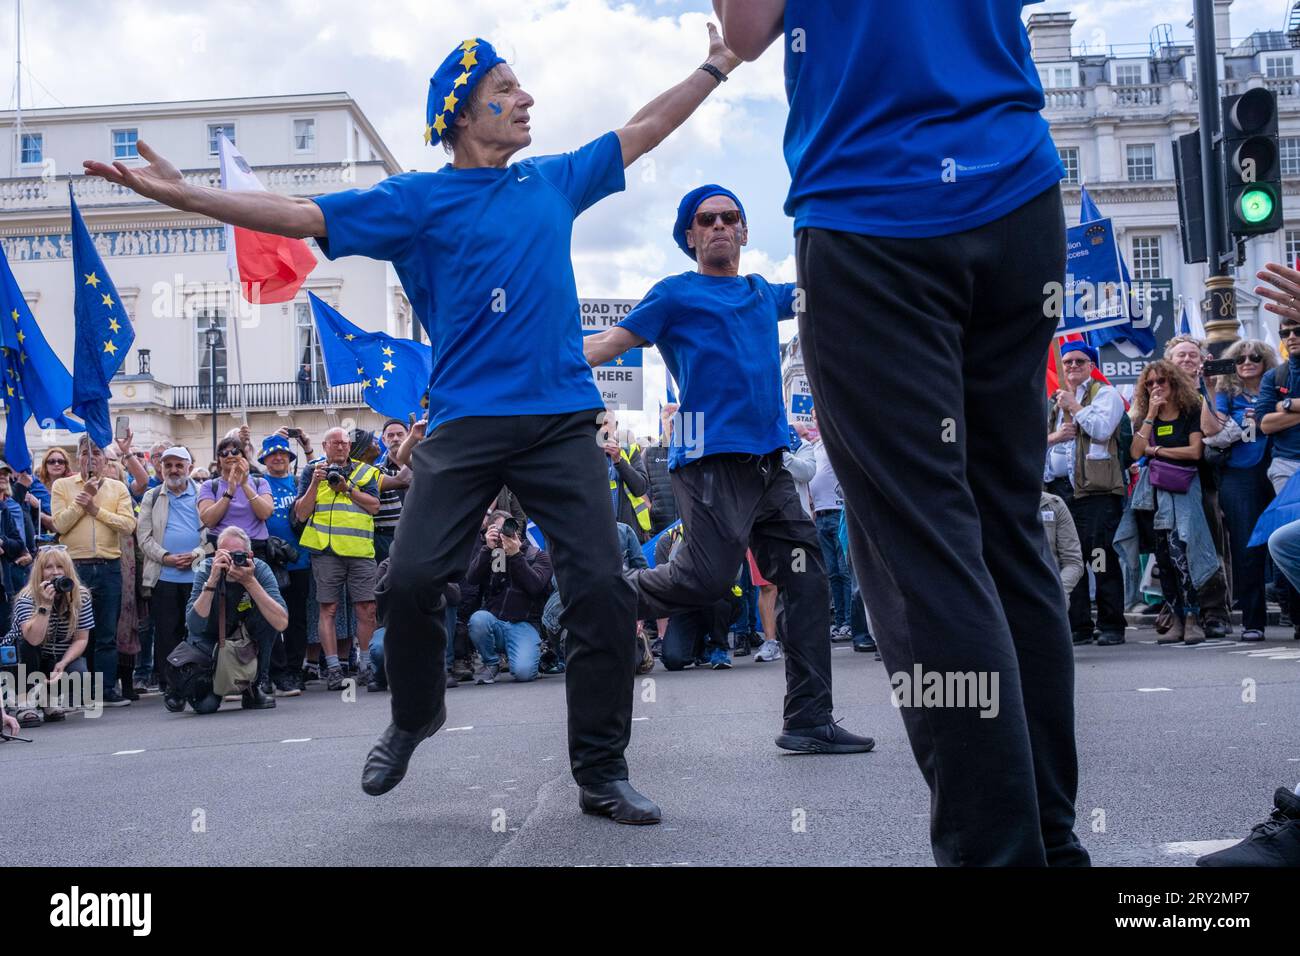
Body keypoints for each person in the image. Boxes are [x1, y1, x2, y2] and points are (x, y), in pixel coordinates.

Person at [86, 28, 742, 824]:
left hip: (559, 420)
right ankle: (415, 714)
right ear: (464, 117)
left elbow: (641, 131)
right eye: (507, 89)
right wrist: (189, 196)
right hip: (464, 423)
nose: (527, 97)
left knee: (603, 589)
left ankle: (601, 770)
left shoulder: (553, 180)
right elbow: (296, 213)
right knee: (414, 578)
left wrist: (717, 64)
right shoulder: (414, 201)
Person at [714, 0, 1088, 865]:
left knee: (926, 552)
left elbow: (742, 27)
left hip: (875, 201)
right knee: (1008, 533)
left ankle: (1000, 856)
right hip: (1016, 190)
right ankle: (1052, 845)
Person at [585, 184, 873, 755]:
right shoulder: (673, 295)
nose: (719, 225)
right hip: (710, 464)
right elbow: (606, 344)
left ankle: (809, 720)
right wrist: (525, 365)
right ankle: (603, 597)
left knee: (808, 582)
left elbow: (830, 288)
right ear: (690, 236)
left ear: (743, 231)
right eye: (706, 219)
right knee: (705, 581)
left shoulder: (763, 293)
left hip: (770, 469)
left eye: (730, 217)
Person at [1115, 361, 1220, 645]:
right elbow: (1136, 452)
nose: (1156, 387)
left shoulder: (1189, 411)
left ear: (1173, 383)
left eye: (1161, 381)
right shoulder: (1147, 417)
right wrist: (1150, 413)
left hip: (1184, 490)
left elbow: (1195, 451)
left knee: (1182, 553)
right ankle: (1174, 616)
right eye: (1149, 384)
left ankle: (1192, 617)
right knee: (1163, 557)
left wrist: (1157, 450)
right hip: (1154, 496)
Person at [1043, 342, 1128, 646]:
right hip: (1060, 489)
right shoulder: (1055, 401)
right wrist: (1056, 435)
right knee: (1068, 557)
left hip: (1096, 490)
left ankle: (1111, 624)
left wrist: (1076, 408)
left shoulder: (1105, 395)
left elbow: (1103, 429)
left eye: (1080, 361)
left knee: (1100, 555)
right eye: (1067, 362)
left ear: (1092, 365)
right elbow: (1042, 443)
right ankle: (1077, 624)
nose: (1073, 367)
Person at [50, 436, 137, 707]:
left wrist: (96, 510)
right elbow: (59, 525)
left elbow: (127, 525)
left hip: (108, 565)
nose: (92, 458)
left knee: (107, 631)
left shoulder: (117, 487)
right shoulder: (62, 486)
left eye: (97, 453)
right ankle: (78, 690)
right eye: (86, 453)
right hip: (75, 567)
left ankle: (106, 688)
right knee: (76, 631)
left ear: (105, 459)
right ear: (78, 458)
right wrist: (81, 501)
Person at [293, 427, 381, 690]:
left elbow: (374, 506)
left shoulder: (364, 471)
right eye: (335, 443)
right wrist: (314, 483)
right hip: (326, 551)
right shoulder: (312, 470)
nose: (341, 447)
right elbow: (301, 513)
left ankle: (366, 666)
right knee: (328, 609)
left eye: (344, 442)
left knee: (367, 609)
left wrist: (347, 488)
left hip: (359, 550)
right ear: (325, 446)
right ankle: (333, 669)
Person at [179, 526, 289, 713]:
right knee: (206, 707)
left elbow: (281, 622)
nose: (231, 561)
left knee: (268, 615)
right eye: (225, 555)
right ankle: (187, 689)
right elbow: (194, 626)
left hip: (246, 637)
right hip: (210, 638)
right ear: (216, 554)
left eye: (237, 555)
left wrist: (250, 582)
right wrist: (212, 582)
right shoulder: (207, 569)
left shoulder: (260, 569)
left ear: (250, 555)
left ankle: (256, 686)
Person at [1215, 340, 1278, 642]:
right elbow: (1216, 434)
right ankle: (1253, 622)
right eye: (1240, 358)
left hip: (1280, 466)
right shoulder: (1224, 393)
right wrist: (1247, 422)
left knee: (1286, 543)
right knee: (1248, 548)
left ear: (1266, 361)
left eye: (1255, 357)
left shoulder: (1279, 387)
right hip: (1241, 475)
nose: (1248, 362)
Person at [137, 446, 206, 709]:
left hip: (197, 576)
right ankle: (172, 687)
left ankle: (198, 681)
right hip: (164, 576)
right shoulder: (152, 496)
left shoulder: (203, 494)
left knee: (197, 632)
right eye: (169, 466)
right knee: (167, 634)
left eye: (179, 465)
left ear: (189, 467)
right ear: (161, 468)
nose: (174, 470)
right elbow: (143, 537)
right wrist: (166, 557)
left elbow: (211, 533)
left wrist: (197, 554)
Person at [465, 511, 553, 684]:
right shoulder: (494, 555)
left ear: (517, 531)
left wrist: (515, 555)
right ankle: (491, 663)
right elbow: (472, 578)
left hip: (525, 625)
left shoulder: (537, 556)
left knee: (523, 673)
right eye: (498, 530)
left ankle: (527, 652)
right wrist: (487, 549)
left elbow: (535, 587)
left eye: (508, 528)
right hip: (495, 622)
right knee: (478, 620)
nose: (504, 533)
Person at [8, 548, 94, 723]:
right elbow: (33, 639)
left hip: (55, 656)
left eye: (60, 566)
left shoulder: (81, 596)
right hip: (23, 658)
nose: (55, 572)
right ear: (40, 571)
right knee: (27, 646)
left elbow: (82, 639)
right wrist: (45, 604)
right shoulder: (27, 597)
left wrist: (63, 663)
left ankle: (48, 698)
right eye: (48, 567)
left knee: (78, 672)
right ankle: (25, 702)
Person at [259, 434, 311, 696]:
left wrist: (307, 446)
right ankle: (271, 670)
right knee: (268, 619)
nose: (278, 458)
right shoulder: (258, 483)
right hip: (268, 561)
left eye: (283, 454)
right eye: (273, 454)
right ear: (265, 459)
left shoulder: (299, 483)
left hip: (299, 558)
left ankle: (293, 670)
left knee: (296, 620)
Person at [198, 435, 274, 554]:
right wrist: (229, 492)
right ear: (218, 460)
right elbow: (208, 521)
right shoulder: (209, 486)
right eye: (224, 453)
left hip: (255, 548)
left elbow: (265, 513)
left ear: (243, 457)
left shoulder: (260, 482)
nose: (229, 456)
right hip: (220, 548)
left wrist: (244, 485)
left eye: (235, 451)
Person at [601, 410, 652, 543]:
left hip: (629, 531)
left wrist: (619, 461)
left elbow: (641, 488)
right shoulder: (585, 452)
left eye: (605, 423)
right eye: (597, 424)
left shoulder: (629, 449)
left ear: (615, 426)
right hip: (598, 532)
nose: (601, 428)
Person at [374, 419, 413, 564]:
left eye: (399, 434)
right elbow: (405, 478)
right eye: (390, 435)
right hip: (385, 540)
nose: (395, 438)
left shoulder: (426, 466)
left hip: (419, 535)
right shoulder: (376, 470)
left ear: (408, 435)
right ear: (383, 440)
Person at [1040, 490, 1085, 598]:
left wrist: (1059, 593)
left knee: (1100, 558)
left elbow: (1073, 561)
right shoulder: (998, 506)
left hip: (1049, 596)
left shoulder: (1055, 504)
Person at [35, 448, 72, 534]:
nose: (56, 464)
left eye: (61, 461)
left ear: (65, 465)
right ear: (45, 465)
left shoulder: (72, 486)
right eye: (51, 461)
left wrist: (43, 516)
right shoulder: (37, 488)